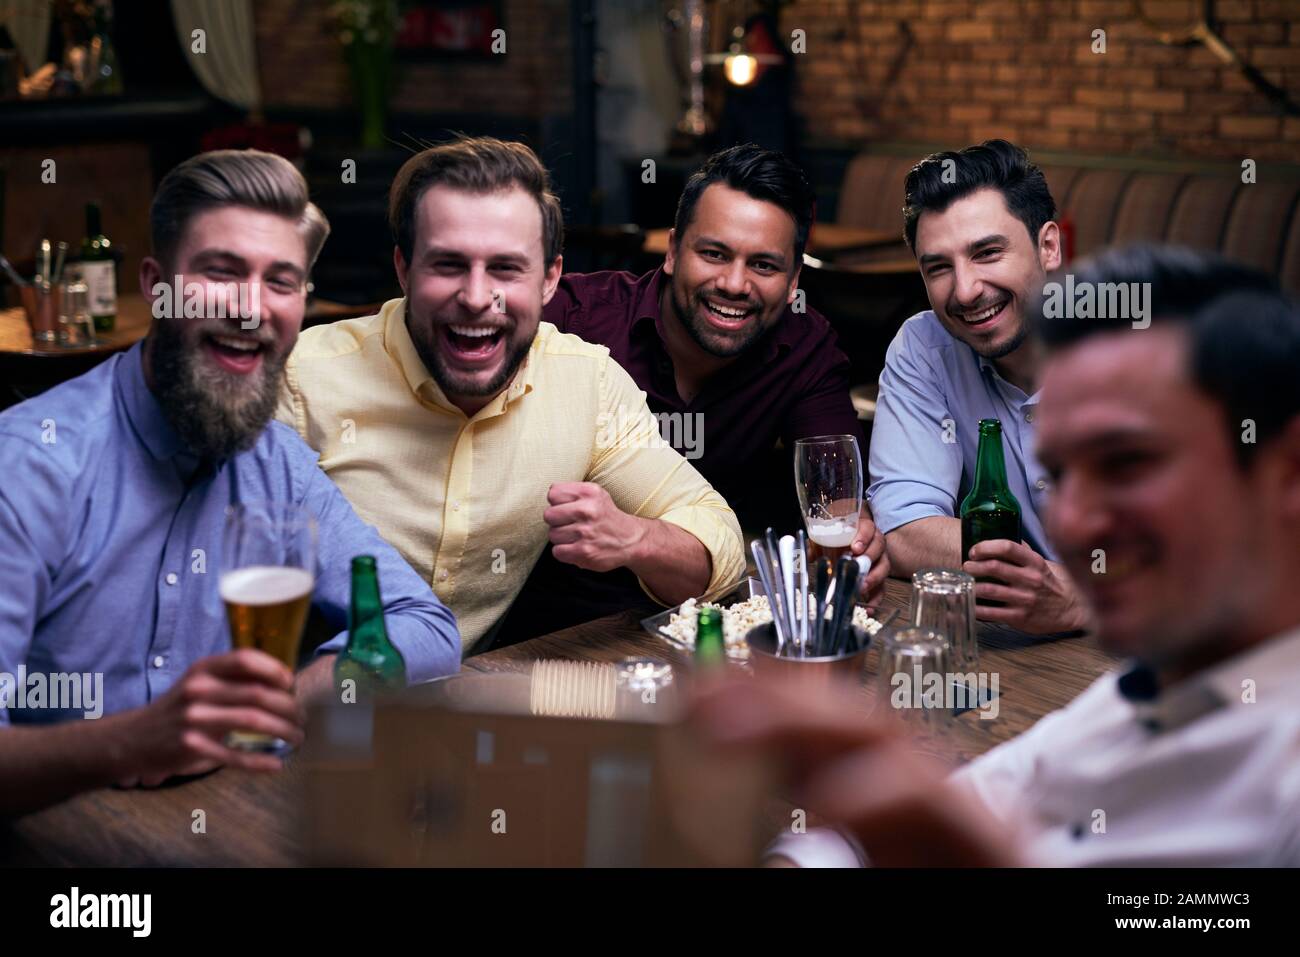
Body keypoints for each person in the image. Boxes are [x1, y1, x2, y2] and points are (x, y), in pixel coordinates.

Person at [695, 244, 1300, 866]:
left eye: (1128, 462)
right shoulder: (1153, 684)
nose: (1071, 520)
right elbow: (973, 801)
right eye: (1059, 474)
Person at [0, 150, 461, 816]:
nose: (252, 307)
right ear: (158, 287)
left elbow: (424, 629)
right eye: (222, 272)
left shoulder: (279, 464)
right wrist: (127, 743)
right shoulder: (32, 466)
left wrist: (274, 703)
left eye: (281, 281)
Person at [276, 137, 746, 654]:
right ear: (404, 270)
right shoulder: (301, 381)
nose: (478, 297)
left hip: (472, 704)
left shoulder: (585, 382)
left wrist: (634, 539)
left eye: (506, 268)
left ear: (550, 278)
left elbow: (718, 544)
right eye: (448, 265)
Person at [497, 144, 890, 641]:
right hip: (549, 635)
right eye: (714, 253)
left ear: (793, 281)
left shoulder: (803, 346)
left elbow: (834, 493)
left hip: (705, 619)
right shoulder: (573, 319)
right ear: (673, 250)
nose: (734, 283)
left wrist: (856, 543)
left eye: (764, 266)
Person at [870, 139, 1088, 634]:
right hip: (1015, 652)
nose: (966, 290)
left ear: (1048, 246)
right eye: (939, 267)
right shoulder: (925, 348)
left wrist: (1079, 599)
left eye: (987, 252)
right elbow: (904, 529)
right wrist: (1040, 579)